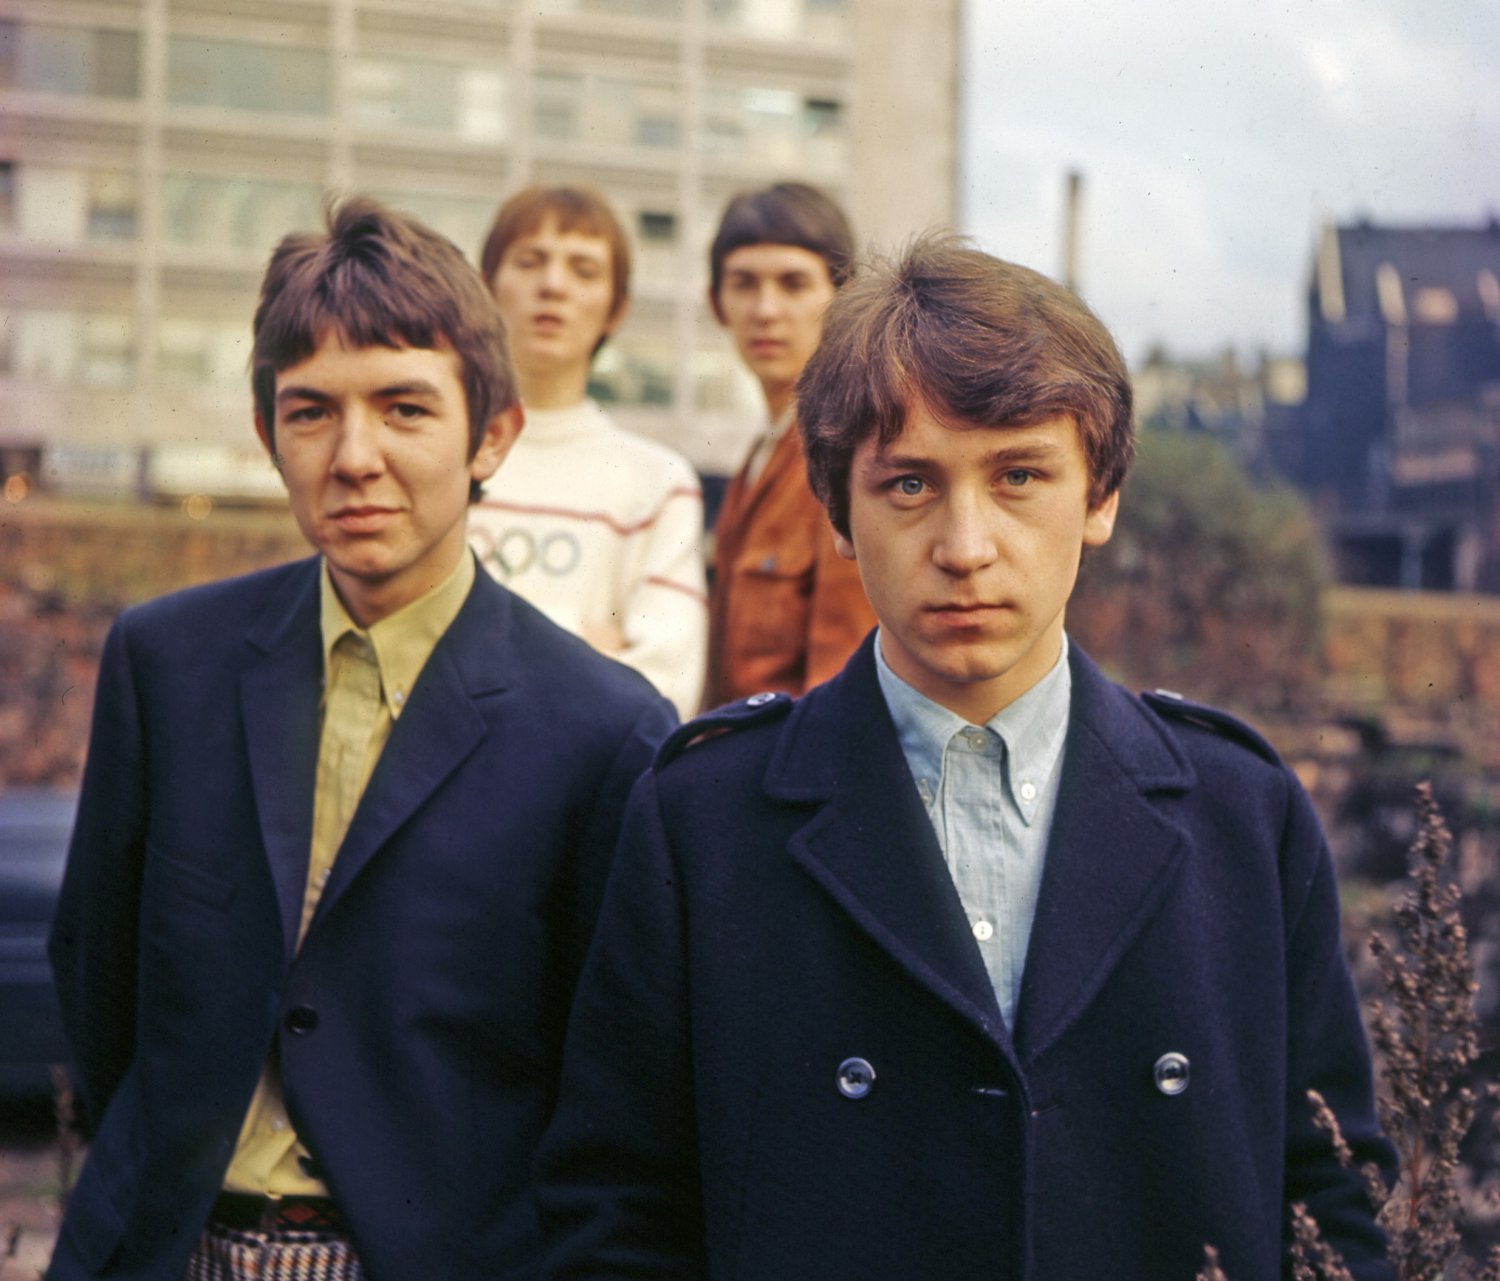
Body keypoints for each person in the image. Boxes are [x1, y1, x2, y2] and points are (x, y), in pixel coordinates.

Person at [535, 236, 1395, 1279]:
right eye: (908, 485)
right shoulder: (703, 819)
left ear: (1102, 495)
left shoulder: (1241, 815)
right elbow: (616, 1212)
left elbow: (1334, 1200)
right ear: (839, 513)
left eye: (1020, 475)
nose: (966, 544)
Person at [46, 198, 676, 1281]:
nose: (355, 457)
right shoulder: (169, 661)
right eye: (310, 412)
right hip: (165, 1246)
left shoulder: (602, 731)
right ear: (266, 434)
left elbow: (611, 1098)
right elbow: (99, 974)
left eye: (404, 409)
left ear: (493, 434)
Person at [470, 184, 707, 716]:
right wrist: (581, 635)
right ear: (485, 289)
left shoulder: (658, 481)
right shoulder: (436, 458)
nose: (552, 285)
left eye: (584, 269)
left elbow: (665, 690)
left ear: (616, 309)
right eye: (530, 261)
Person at [702, 181, 875, 708]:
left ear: (843, 296)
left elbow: (840, 675)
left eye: (793, 284)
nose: (766, 310)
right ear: (717, 303)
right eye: (745, 284)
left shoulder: (844, 448)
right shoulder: (763, 451)